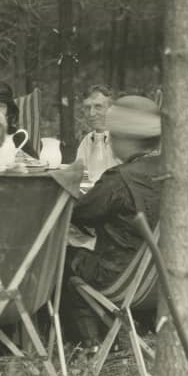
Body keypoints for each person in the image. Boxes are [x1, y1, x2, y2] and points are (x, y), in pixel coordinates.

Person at [60, 95, 164, 347]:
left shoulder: (119, 178)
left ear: (123, 138)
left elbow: (80, 213)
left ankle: (93, 342)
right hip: (163, 277)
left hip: (120, 277)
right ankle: (137, 324)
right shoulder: (171, 169)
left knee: (63, 262)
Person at [75, 85, 121, 183]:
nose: (91, 113)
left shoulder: (124, 140)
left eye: (98, 107)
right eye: (88, 108)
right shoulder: (87, 141)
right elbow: (80, 175)